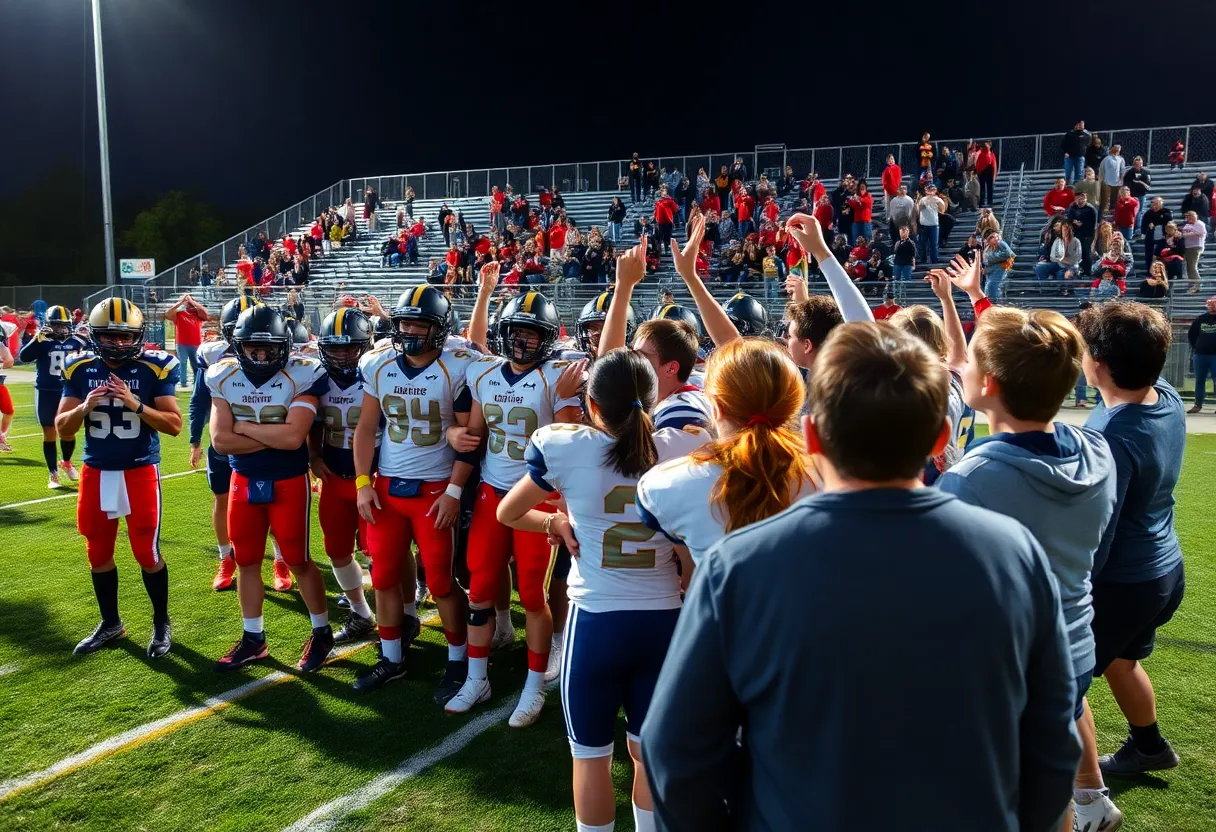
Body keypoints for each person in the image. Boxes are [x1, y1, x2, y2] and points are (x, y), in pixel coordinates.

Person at [642, 321, 1080, 832]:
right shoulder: (1014, 554)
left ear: (811, 434)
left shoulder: (738, 567)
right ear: (940, 436)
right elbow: (1051, 740)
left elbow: (674, 749)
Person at [496, 348, 709, 832]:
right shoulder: (682, 446)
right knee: (647, 754)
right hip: (664, 621)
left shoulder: (565, 446)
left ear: (592, 405)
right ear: (653, 401)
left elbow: (507, 513)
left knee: (591, 757)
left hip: (596, 624)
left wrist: (554, 520)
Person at [938, 306, 1122, 832]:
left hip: (1011, 659)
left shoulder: (972, 478)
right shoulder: (1096, 449)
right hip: (1076, 643)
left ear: (989, 383)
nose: (961, 366)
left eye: (969, 359)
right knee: (1047, 781)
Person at [444, 290, 582, 726]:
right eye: (515, 332)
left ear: (546, 338)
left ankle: (532, 686)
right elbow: (475, 433)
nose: (521, 341)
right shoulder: (484, 374)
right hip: (490, 490)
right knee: (480, 587)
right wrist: (453, 433)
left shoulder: (557, 375)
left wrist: (563, 399)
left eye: (530, 333)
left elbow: (569, 439)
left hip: (540, 497)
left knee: (533, 596)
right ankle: (478, 677)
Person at [351, 286, 481, 702]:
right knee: (384, 576)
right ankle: (392, 658)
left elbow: (470, 439)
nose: (409, 331)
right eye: (404, 322)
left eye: (420, 324)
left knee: (442, 581)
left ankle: (459, 660)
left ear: (439, 329)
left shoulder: (459, 366)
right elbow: (366, 428)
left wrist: (455, 491)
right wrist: (362, 482)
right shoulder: (379, 363)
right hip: (388, 486)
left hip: (435, 488)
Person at [1076, 302, 1186, 778]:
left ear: (1098, 366)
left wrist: (1072, 589)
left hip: (1124, 581)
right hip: (1163, 570)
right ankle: (1149, 747)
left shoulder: (1107, 437)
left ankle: (1086, 794)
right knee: (1123, 662)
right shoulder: (1166, 395)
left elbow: (1099, 529)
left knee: (1062, 686)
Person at [207, 305, 335, 673]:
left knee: (298, 560)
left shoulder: (303, 374)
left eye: (268, 349)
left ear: (285, 346)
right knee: (246, 560)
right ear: (238, 346)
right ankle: (253, 639)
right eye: (252, 349)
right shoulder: (223, 374)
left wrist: (243, 427)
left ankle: (321, 632)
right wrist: (273, 437)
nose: (260, 357)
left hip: (288, 482)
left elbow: (295, 437)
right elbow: (220, 442)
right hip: (242, 480)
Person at [56, 299, 182, 658]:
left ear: (137, 336)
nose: (118, 344)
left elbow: (174, 425)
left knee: (146, 550)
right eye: (110, 336)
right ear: (96, 336)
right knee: (97, 551)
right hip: (96, 470)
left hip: (140, 468)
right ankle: (111, 623)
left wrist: (135, 404)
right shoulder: (79, 367)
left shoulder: (153, 367)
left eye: (125, 336)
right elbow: (62, 427)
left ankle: (161, 623)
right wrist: (85, 406)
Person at [307, 307, 379, 647]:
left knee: (381, 550)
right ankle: (361, 612)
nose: (343, 354)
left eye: (351, 346)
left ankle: (404, 613)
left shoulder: (378, 373)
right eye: (335, 347)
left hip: (375, 475)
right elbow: (315, 422)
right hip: (335, 475)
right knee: (336, 548)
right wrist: (315, 455)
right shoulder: (317, 378)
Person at [19, 304, 88, 488]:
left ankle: (66, 461)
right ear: (48, 325)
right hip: (46, 391)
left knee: (68, 431)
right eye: (57, 325)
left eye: (64, 325)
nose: (61, 329)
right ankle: (53, 474)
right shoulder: (42, 341)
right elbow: (23, 356)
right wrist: (35, 339)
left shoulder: (77, 341)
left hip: (70, 392)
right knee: (49, 432)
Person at [163, 293, 209, 389]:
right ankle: (183, 383)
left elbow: (205, 312)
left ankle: (197, 383)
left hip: (196, 343)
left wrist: (193, 302)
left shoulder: (198, 315)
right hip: (182, 343)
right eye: (186, 301)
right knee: (182, 363)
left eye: (189, 301)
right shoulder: (179, 314)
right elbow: (168, 313)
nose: (188, 303)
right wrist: (180, 303)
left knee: (196, 364)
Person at [1187, 296, 1216, 413]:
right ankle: (1198, 404)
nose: (1211, 306)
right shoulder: (1201, 319)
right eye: (1210, 304)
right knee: (1199, 380)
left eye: (1214, 304)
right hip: (1200, 355)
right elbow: (1192, 334)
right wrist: (1196, 347)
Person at [1066, 192, 1100, 274]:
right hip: (1076, 234)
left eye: (1081, 198)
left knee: (1085, 253)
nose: (1079, 200)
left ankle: (1087, 272)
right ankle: (1078, 270)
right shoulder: (1072, 208)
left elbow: (1094, 224)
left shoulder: (1091, 209)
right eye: (1077, 198)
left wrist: (1083, 224)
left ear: (1085, 199)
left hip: (1087, 235)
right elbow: (1068, 219)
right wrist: (1074, 221)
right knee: (1076, 253)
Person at [1141, 197, 1173, 275]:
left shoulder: (1166, 211)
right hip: (1150, 236)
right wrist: (1143, 233)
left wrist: (1157, 217)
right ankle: (1149, 270)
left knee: (1160, 253)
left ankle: (1162, 270)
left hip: (1162, 236)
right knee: (1149, 254)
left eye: (1157, 203)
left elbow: (1168, 218)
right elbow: (1144, 223)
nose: (1155, 204)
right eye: (1153, 203)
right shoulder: (1148, 212)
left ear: (1161, 203)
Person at [916, 185, 944, 264]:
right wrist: (918, 200)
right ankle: (923, 259)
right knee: (923, 244)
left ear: (935, 191)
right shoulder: (922, 200)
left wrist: (937, 203)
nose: (930, 192)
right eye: (929, 190)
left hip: (933, 225)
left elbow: (942, 211)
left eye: (932, 190)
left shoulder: (938, 200)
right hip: (923, 225)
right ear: (926, 191)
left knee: (934, 244)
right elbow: (918, 210)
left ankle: (934, 259)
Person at [1181, 211, 1207, 293]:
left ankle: (1197, 284)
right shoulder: (1187, 225)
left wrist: (1187, 234)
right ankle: (1192, 284)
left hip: (1195, 246)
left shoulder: (1200, 224)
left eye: (1191, 216)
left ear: (1196, 216)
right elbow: (1183, 232)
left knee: (1192, 266)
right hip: (1188, 247)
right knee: (1189, 267)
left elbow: (1202, 233)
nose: (1190, 218)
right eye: (1188, 216)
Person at [1062, 120, 1092, 184]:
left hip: (1080, 157)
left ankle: (1076, 190)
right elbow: (1063, 144)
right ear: (1076, 125)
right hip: (1069, 156)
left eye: (1082, 125)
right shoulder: (1070, 133)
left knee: (1078, 175)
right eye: (1079, 124)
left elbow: (1088, 143)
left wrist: (1083, 150)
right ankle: (1068, 189)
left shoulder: (1087, 134)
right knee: (1068, 174)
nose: (1080, 126)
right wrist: (1066, 152)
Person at [1099, 146, 1126, 212]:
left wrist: (1121, 179)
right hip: (1107, 182)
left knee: (1115, 199)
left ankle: (1112, 212)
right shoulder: (1106, 159)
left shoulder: (1121, 159)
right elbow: (1102, 170)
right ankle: (1103, 213)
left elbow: (1122, 170)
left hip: (1117, 183)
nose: (1117, 151)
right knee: (1105, 199)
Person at [975, 140, 998, 206]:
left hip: (989, 171)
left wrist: (994, 176)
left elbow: (994, 166)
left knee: (989, 188)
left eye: (987, 145)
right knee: (982, 188)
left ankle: (989, 201)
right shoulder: (981, 154)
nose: (985, 147)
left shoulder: (992, 154)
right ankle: (982, 202)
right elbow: (978, 164)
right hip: (982, 172)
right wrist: (978, 172)